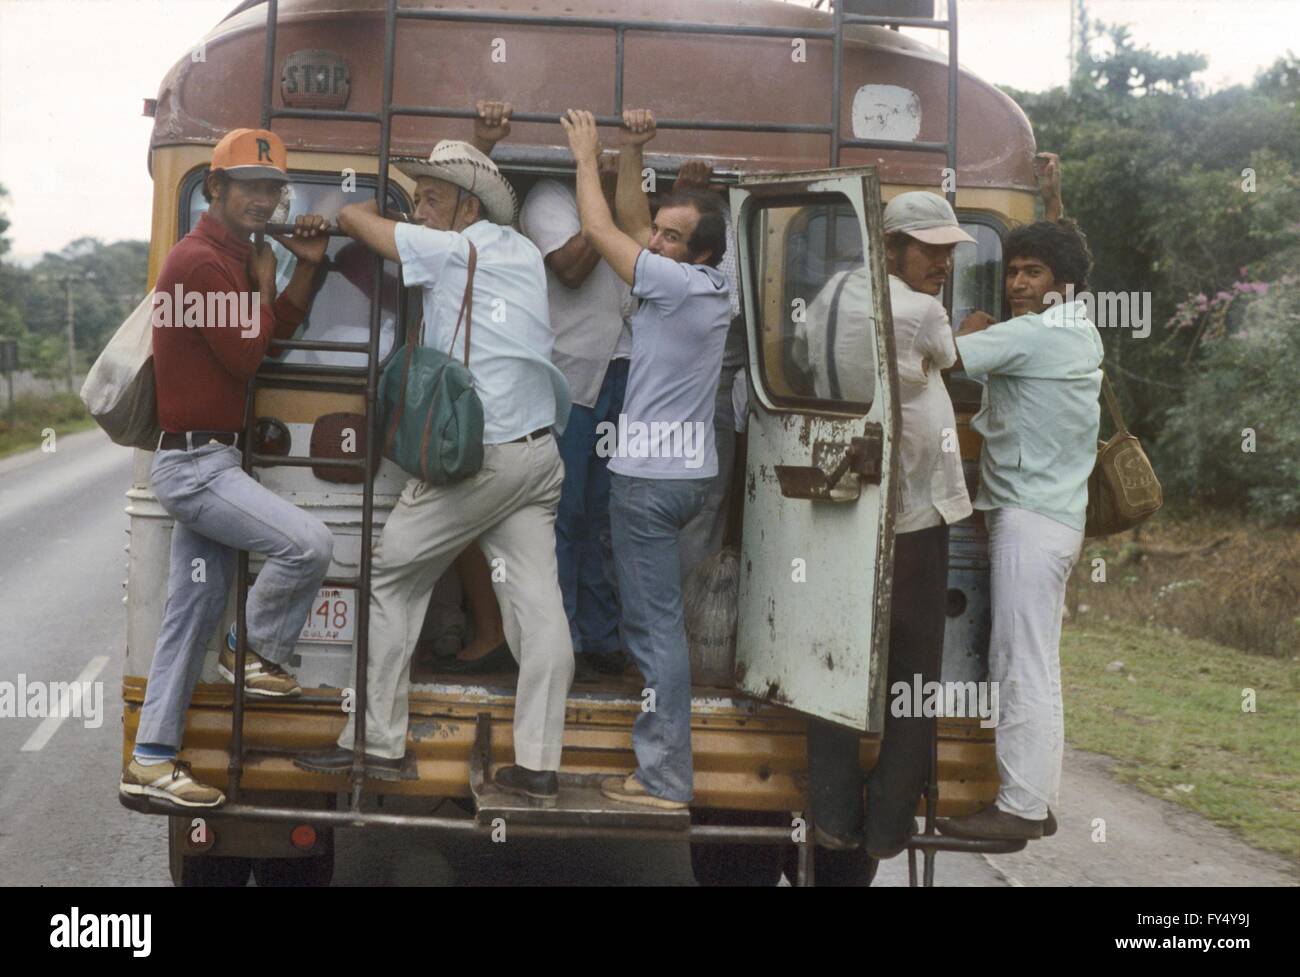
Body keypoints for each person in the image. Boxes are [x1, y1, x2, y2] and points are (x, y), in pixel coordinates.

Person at [292, 131, 575, 807]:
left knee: (393, 573)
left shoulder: (459, 249)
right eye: (415, 199)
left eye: (430, 198)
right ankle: (538, 763)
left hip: (486, 456)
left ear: (468, 206)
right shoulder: (522, 254)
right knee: (538, 607)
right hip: (538, 456)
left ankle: (375, 743)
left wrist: (341, 208)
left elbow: (367, 227)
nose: (418, 209)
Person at [120, 127, 334, 810]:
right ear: (215, 188)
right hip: (196, 465)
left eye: (273, 186)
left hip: (210, 458)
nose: (263, 199)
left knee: (188, 615)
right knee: (308, 543)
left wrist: (304, 268)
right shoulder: (200, 261)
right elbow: (248, 356)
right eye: (249, 185)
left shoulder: (236, 255)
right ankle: (252, 649)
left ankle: (151, 758)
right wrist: (268, 282)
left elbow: (274, 338)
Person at [560, 107, 731, 810]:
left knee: (653, 629)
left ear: (697, 256)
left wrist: (586, 155)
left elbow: (604, 233)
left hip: (649, 482)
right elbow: (633, 225)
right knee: (658, 623)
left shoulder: (677, 282)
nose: (655, 239)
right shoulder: (704, 282)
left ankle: (661, 776)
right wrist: (633, 153)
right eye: (660, 228)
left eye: (671, 236)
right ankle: (660, 753)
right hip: (686, 474)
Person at [801, 192, 975, 865]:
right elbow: (948, 360)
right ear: (891, 246)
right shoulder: (925, 311)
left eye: (949, 251)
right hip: (913, 517)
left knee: (836, 665)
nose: (942, 262)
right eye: (928, 249)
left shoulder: (831, 293)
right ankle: (888, 823)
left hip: (841, 509)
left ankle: (835, 815)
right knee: (911, 675)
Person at [938, 217, 1103, 841]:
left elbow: (944, 356)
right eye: (1012, 271)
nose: (1017, 283)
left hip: (1031, 518)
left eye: (1032, 272)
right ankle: (1038, 795)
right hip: (1047, 516)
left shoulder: (1037, 334)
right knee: (1035, 661)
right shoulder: (1070, 330)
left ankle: (1021, 808)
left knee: (1020, 663)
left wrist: (972, 328)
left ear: (1064, 283)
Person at [519, 155, 633, 681]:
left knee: (602, 514)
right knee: (563, 513)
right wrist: (601, 198)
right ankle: (561, 640)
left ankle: (600, 635)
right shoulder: (549, 194)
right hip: (569, 380)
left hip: (620, 371)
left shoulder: (622, 194)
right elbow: (569, 268)